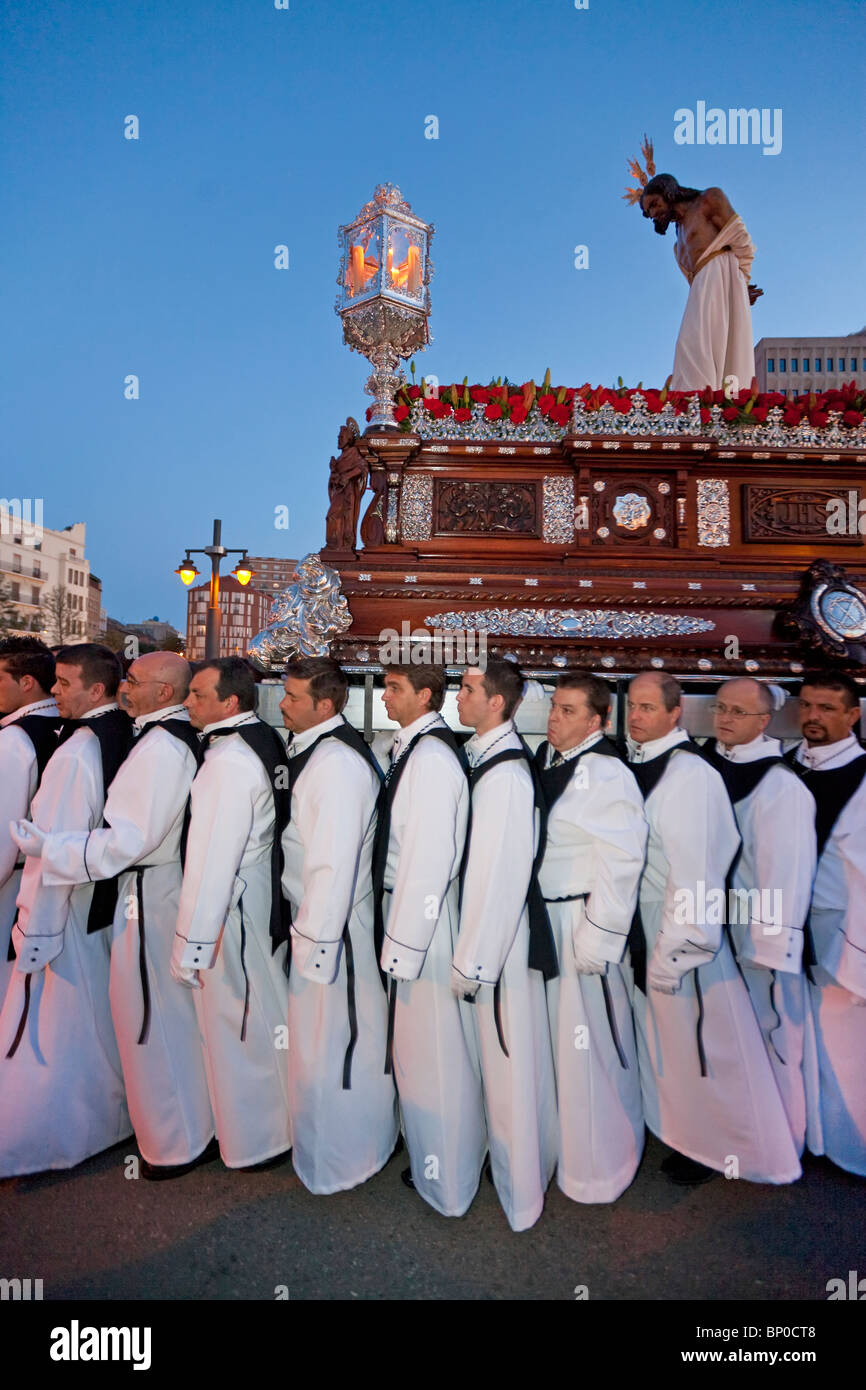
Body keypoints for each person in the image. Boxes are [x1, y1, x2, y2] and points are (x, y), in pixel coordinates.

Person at [12, 652, 216, 1179]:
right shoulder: (156, 737)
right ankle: (177, 1133)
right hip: (148, 888)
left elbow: (130, 839)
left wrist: (52, 848)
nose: (125, 687)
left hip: (149, 892)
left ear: (163, 692)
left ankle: (176, 1144)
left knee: (152, 1021)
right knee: (153, 1019)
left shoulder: (161, 746)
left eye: (134, 680)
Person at [625, 670, 800, 1186]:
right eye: (631, 705)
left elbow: (698, 872)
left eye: (647, 707)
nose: (635, 716)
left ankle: (730, 1149)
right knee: (675, 1044)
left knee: (710, 1048)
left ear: (674, 712)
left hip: (685, 932)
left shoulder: (691, 776)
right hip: (651, 921)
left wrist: (680, 948)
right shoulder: (660, 762)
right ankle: (688, 1135)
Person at [0, 644, 133, 1177]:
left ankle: (46, 1138)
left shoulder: (78, 751)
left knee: (51, 1027)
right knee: (91, 1022)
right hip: (97, 901)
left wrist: (36, 925)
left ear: (95, 689)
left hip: (66, 907)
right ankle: (102, 1123)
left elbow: (53, 843)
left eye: (62, 683)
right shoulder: (118, 732)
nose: (52, 692)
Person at [279, 657, 397, 1193]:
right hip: (318, 923)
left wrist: (315, 947)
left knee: (340, 1043)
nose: (283, 704)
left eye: (293, 697)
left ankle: (346, 1157)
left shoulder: (336, 765)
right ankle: (331, 1150)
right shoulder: (321, 751)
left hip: (333, 928)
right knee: (322, 1044)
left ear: (324, 705)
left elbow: (332, 865)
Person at [172, 658, 292, 1171]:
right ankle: (264, 1130)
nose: (187, 703)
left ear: (230, 703)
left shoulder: (228, 761)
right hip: (254, 895)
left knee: (239, 1021)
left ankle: (259, 1139)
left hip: (233, 907)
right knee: (257, 1013)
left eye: (198, 694)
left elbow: (213, 858)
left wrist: (192, 944)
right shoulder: (257, 739)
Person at [374, 662, 485, 1218]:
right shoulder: (413, 748)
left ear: (425, 695)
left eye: (395, 688)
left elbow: (431, 856)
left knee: (436, 1054)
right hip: (410, 913)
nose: (384, 697)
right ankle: (433, 1158)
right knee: (419, 1051)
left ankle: (449, 1181)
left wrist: (404, 946)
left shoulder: (433, 758)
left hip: (425, 919)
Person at [535, 673, 648, 1203]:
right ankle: (561, 1149)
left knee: (593, 1048)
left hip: (580, 922)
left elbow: (623, 862)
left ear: (598, 721)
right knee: (557, 1049)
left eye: (569, 711)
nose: (555, 718)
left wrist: (598, 941)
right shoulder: (549, 759)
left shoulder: (607, 773)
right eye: (554, 707)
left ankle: (602, 1166)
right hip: (545, 922)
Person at [453, 660, 558, 1231]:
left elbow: (499, 877)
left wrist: (475, 962)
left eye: (468, 690)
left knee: (509, 1063)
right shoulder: (484, 757)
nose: (459, 697)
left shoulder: (506, 776)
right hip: (488, 939)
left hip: (499, 946)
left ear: (496, 702)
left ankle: (520, 1191)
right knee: (497, 1063)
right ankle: (507, 1167)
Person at [701, 678, 816, 1152]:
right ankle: (724, 1137)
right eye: (720, 708)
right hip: (711, 927)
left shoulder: (779, 786)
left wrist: (766, 949)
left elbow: (786, 872)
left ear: (765, 721)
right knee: (719, 1040)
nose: (725, 718)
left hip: (752, 937)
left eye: (738, 712)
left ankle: (776, 1143)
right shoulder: (706, 765)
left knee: (766, 1039)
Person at [786, 670, 866, 1176]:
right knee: (794, 1038)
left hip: (842, 930)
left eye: (827, 709)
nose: (813, 717)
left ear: (853, 715)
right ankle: (804, 1138)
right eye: (807, 706)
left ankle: (846, 1148)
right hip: (788, 926)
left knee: (844, 1046)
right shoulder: (787, 764)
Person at [630, 153, 762, 392]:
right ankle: (698, 400)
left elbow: (742, 243)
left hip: (722, 277)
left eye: (654, 204)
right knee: (694, 346)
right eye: (649, 212)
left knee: (704, 344)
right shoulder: (677, 241)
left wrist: (740, 285)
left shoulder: (709, 200)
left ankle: (705, 399)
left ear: (669, 193)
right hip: (700, 290)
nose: (653, 213)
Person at [0, 637, 59, 1002]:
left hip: (14, 884)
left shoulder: (14, 738)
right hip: (51, 877)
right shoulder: (65, 724)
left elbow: (4, 829)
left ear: (26, 682)